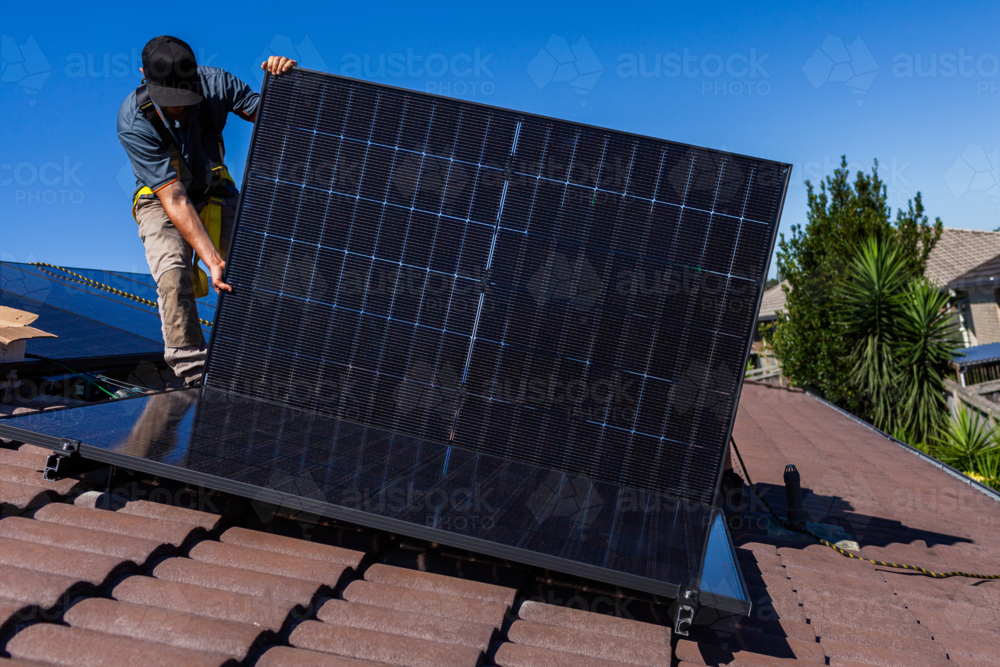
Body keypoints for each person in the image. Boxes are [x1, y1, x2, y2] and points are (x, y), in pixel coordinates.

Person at [117, 35, 296, 386]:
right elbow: (175, 198)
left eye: (184, 98)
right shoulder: (134, 120)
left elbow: (274, 117)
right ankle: (196, 376)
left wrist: (286, 83)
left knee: (258, 266)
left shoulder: (217, 83)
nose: (178, 109)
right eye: (169, 101)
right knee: (172, 272)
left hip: (215, 188)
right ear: (143, 75)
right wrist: (212, 259)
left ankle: (268, 358)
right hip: (162, 199)